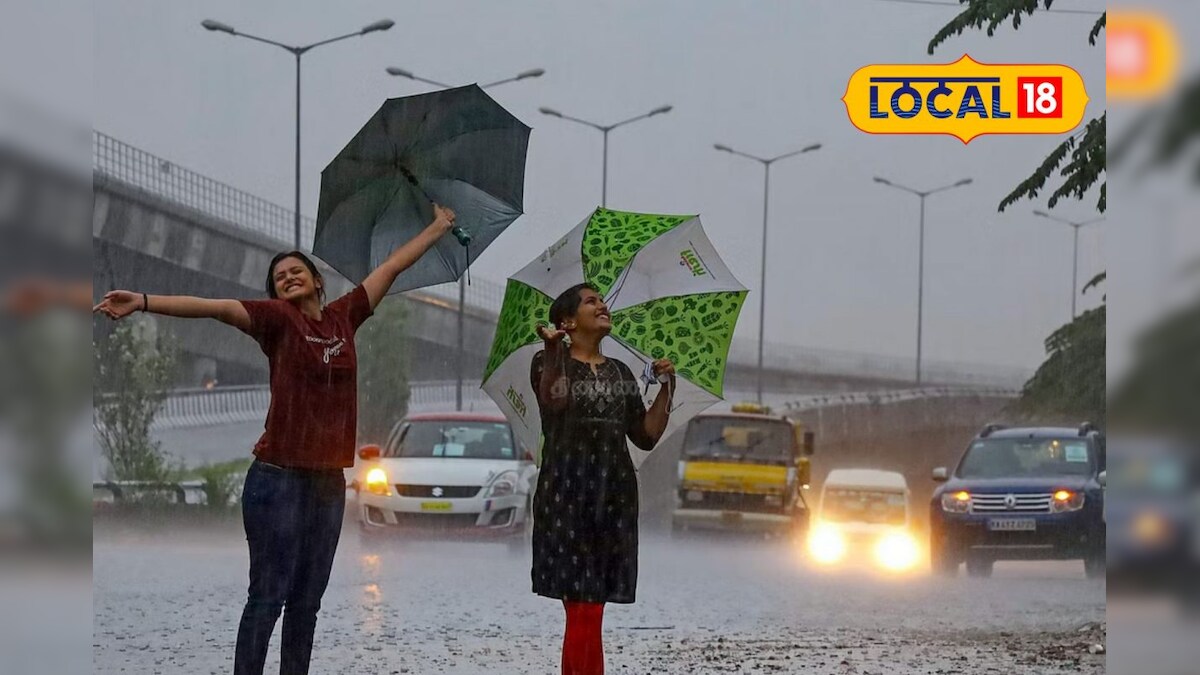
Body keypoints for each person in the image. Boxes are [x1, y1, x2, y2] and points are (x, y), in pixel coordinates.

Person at [93, 205, 457, 675]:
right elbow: (217, 308)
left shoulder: (344, 317)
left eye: (295, 270)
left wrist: (437, 227)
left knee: (306, 603)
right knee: (268, 597)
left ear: (317, 281)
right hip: (277, 480)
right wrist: (142, 300)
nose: (287, 278)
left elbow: (391, 266)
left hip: (327, 485)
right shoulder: (277, 321)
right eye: (279, 276)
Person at [530, 283, 675, 675]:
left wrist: (666, 388)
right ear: (567, 321)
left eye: (602, 300)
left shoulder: (621, 372)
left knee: (590, 609)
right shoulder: (546, 363)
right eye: (591, 302)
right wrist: (551, 348)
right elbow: (554, 400)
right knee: (583, 606)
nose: (602, 306)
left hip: (613, 497)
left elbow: (644, 435)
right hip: (566, 496)